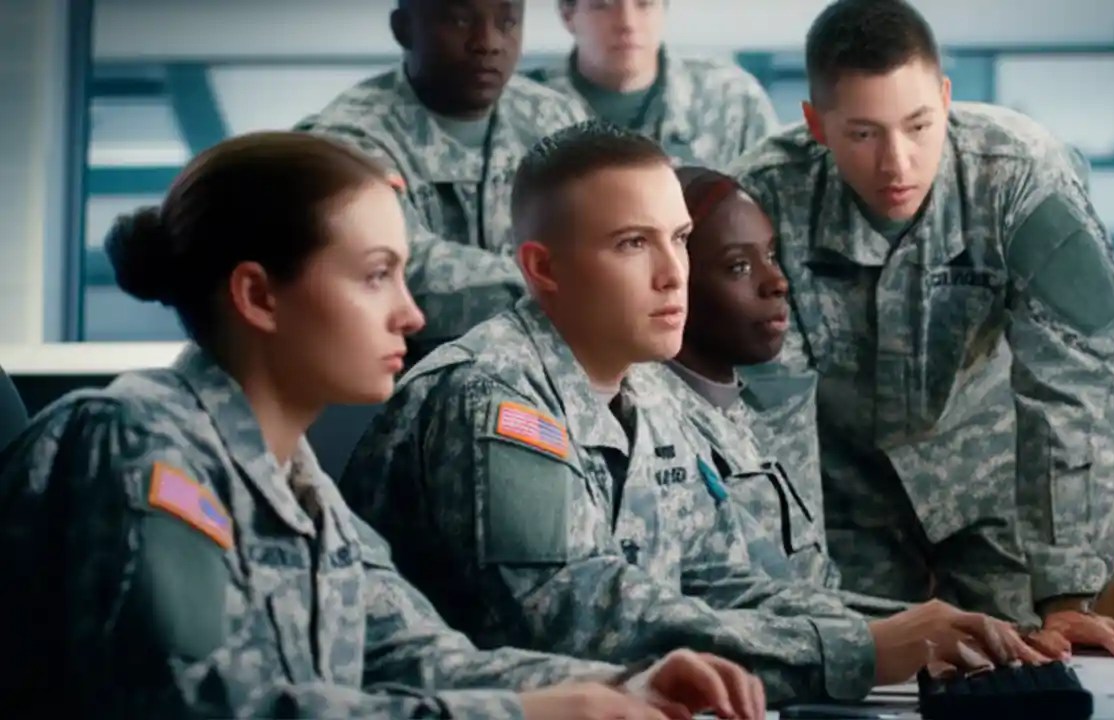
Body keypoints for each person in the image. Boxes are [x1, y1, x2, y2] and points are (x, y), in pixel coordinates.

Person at [0, 131, 766, 720]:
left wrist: (619, 685)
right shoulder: (136, 449)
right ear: (259, 297)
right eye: (375, 276)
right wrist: (524, 712)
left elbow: (417, 657)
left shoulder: (302, 489)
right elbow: (220, 708)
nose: (412, 312)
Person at [340, 120, 1048, 710]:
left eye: (677, 238)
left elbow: (716, 578)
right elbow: (579, 619)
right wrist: (860, 651)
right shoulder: (491, 397)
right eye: (632, 244)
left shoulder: (647, 390)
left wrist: (911, 629)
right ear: (544, 269)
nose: (672, 272)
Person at [729, 0, 1114, 659]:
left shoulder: (1021, 176)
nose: (897, 162)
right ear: (816, 125)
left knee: (1018, 670)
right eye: (863, 134)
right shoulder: (763, 198)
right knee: (855, 678)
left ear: (945, 96)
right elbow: (769, 418)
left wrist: (1068, 592)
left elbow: (1079, 377)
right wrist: (804, 610)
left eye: (918, 124)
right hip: (844, 496)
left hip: (992, 484)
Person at [296, 0, 591, 365]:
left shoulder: (554, 117)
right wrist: (570, 286)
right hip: (404, 381)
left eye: (508, 22)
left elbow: (605, 228)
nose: (488, 42)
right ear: (403, 29)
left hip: (551, 371)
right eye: (461, 19)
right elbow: (403, 273)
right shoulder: (347, 140)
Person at [639, 164, 835, 589]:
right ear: (671, 281)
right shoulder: (652, 430)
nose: (778, 282)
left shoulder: (742, 408)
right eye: (738, 268)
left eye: (770, 255)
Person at [526, 0, 778, 169]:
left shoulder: (731, 99)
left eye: (644, 3)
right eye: (604, 5)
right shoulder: (523, 109)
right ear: (568, 15)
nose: (627, 23)